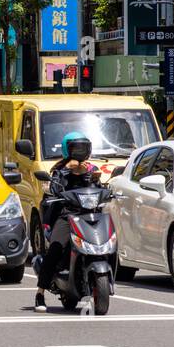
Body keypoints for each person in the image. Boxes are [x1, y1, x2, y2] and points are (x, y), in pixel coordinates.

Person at [34, 132, 100, 310]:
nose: (80, 152)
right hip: (67, 215)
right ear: (67, 149)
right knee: (55, 248)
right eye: (75, 148)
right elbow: (54, 188)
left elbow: (99, 187)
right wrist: (67, 171)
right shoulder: (59, 169)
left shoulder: (92, 168)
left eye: (83, 148)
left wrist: (93, 178)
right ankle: (40, 293)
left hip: (89, 215)